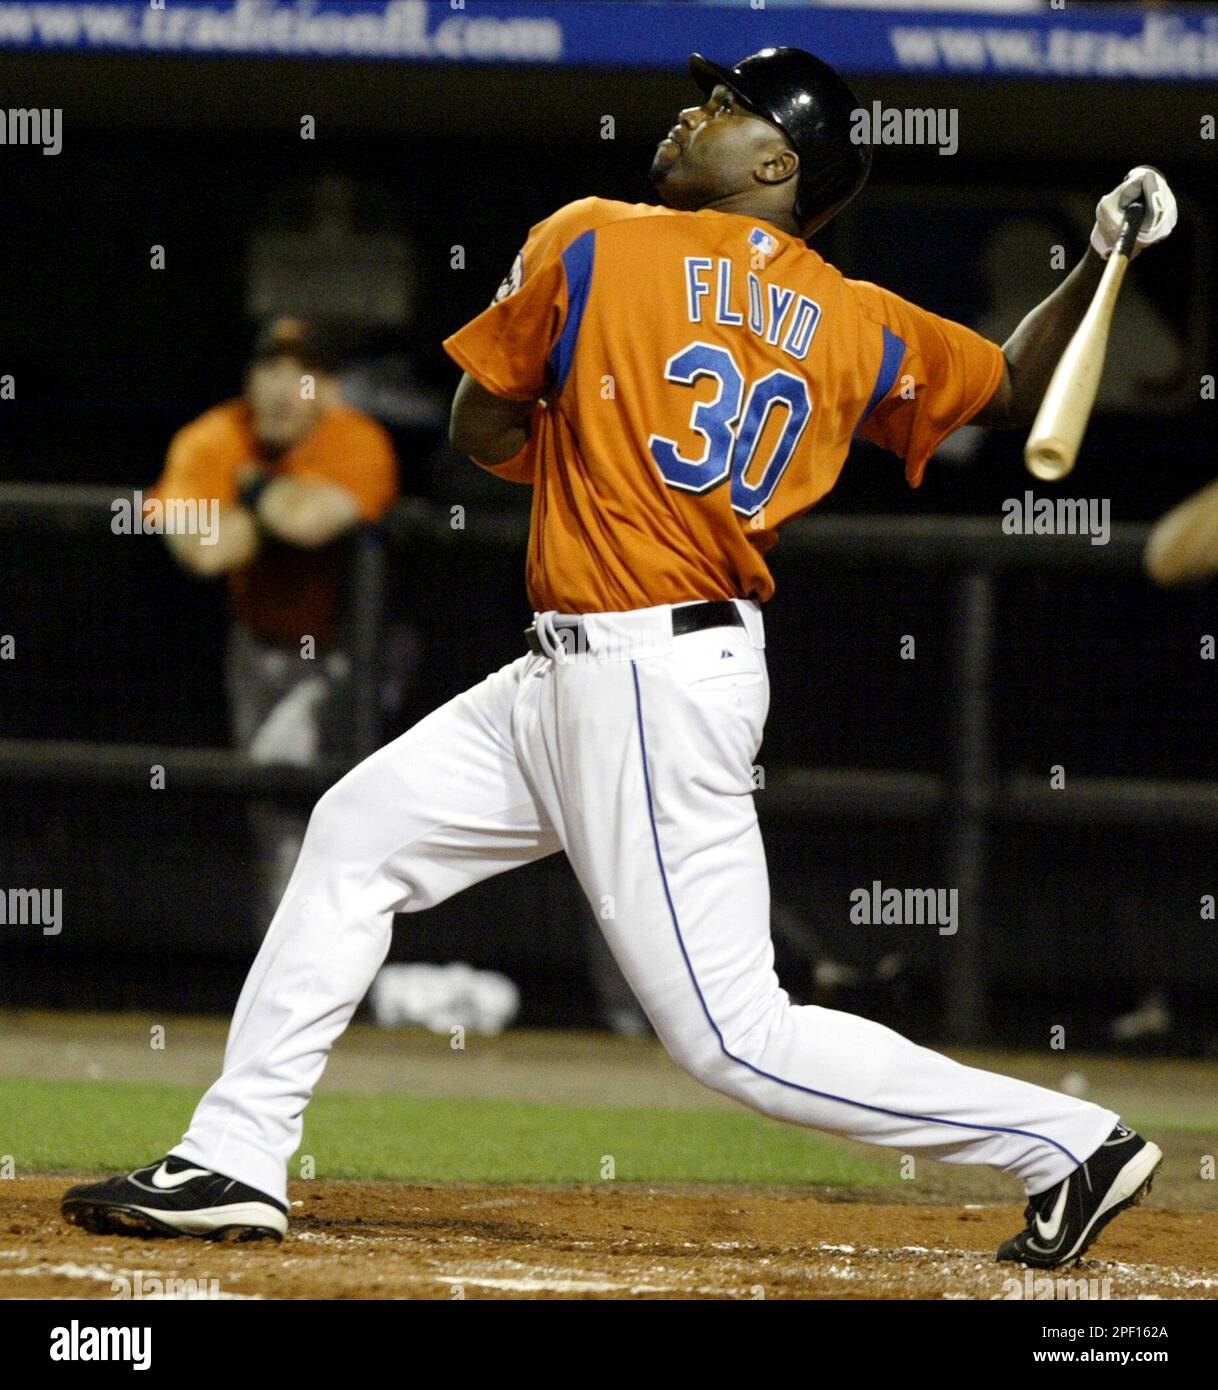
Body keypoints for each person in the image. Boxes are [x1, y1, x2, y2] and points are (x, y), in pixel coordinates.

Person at [65, 49, 1175, 1270]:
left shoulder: (595, 235)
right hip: (595, 670)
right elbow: (1011, 386)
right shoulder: (856, 317)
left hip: (643, 672)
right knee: (356, 832)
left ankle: (1066, 1140)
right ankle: (235, 1153)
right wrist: (1100, 252)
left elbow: (478, 422)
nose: (694, 111)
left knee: (730, 1036)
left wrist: (589, 436)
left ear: (775, 164)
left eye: (728, 106)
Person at [143, 319, 399, 933]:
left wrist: (252, 497)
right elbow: (201, 549)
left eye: (304, 374)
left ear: (330, 389)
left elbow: (312, 522)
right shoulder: (213, 439)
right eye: (270, 369)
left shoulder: (355, 438)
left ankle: (340, 979)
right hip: (260, 653)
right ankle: (300, 980)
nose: (285, 389)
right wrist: (274, 508)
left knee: (354, 825)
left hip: (365, 658)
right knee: (280, 822)